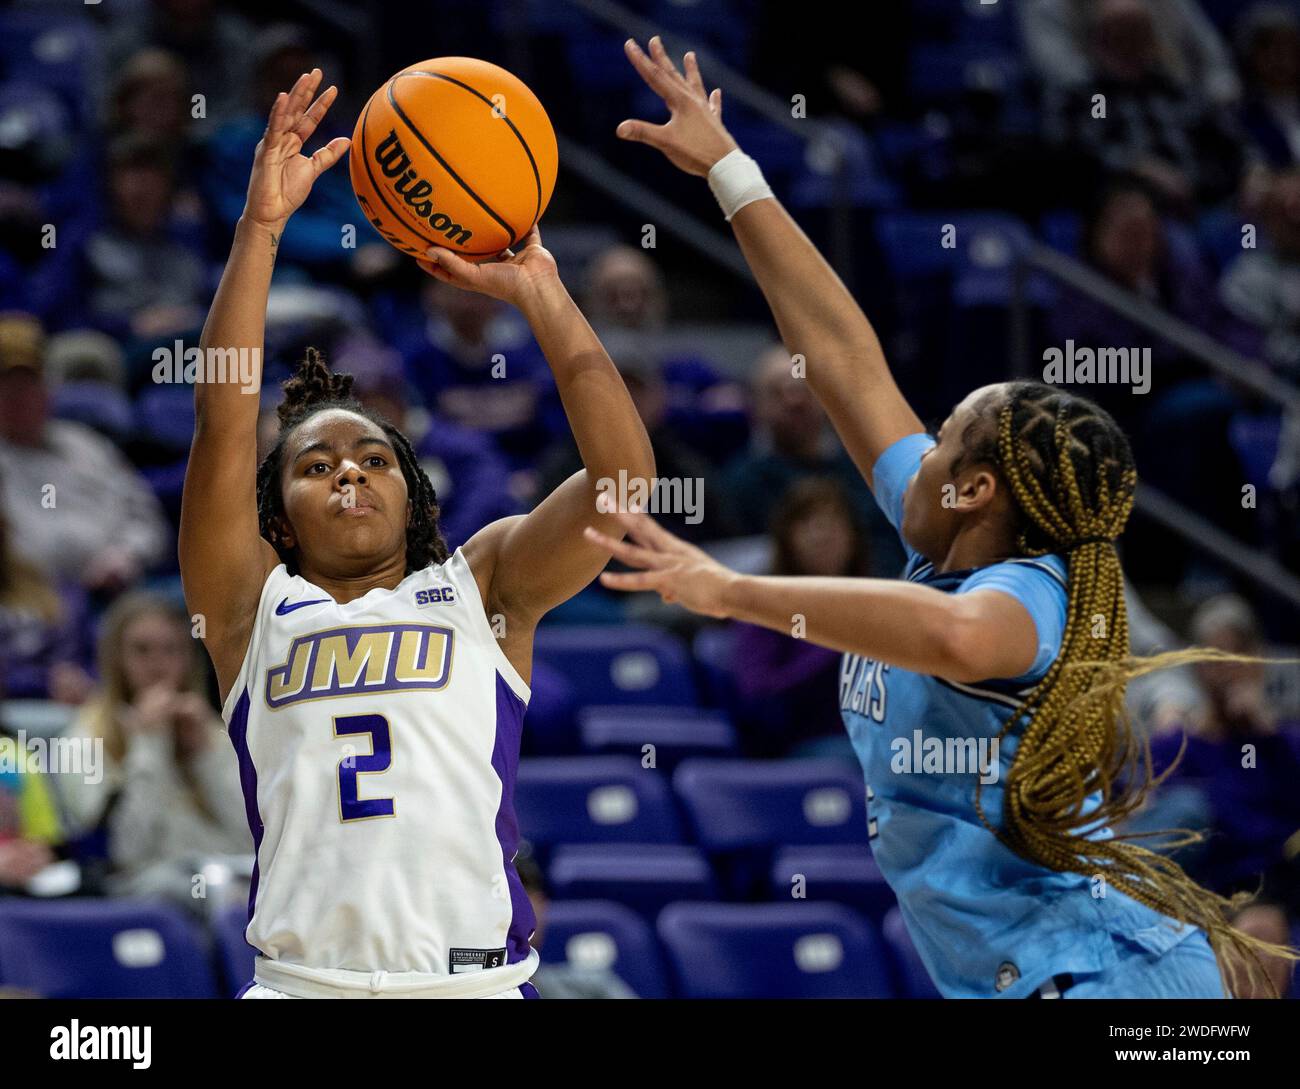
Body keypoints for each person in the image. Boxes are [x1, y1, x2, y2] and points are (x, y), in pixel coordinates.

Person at [600, 36, 1296, 998]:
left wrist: (732, 590)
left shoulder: (1028, 596)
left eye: (944, 434)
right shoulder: (953, 536)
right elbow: (841, 353)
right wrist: (731, 169)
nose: (916, 443)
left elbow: (958, 638)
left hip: (1100, 981)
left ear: (975, 490)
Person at [181, 70, 654, 1000]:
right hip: (300, 985)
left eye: (374, 458)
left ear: (416, 492)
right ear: (275, 515)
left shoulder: (483, 587)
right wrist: (261, 231)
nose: (349, 470)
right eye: (315, 467)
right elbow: (225, 421)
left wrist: (543, 293)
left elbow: (624, 486)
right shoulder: (248, 606)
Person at [56, 592, 248, 898]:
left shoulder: (207, 728)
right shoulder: (83, 739)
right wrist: (149, 743)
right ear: (116, 658)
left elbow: (251, 837)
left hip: (222, 873)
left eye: (171, 650)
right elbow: (126, 853)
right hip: (144, 888)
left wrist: (205, 757)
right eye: (141, 650)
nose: (157, 665)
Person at [0, 312, 170, 593]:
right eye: (7, 386)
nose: (19, 396)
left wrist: (125, 554)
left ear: (47, 388)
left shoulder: (87, 443)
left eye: (28, 383)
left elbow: (146, 518)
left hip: (117, 591)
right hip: (29, 603)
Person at [729, 478, 869, 762]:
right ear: (786, 536)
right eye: (809, 523)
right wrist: (835, 647)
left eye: (834, 523)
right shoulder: (765, 608)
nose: (823, 535)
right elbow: (758, 701)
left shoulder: (877, 602)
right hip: (806, 746)